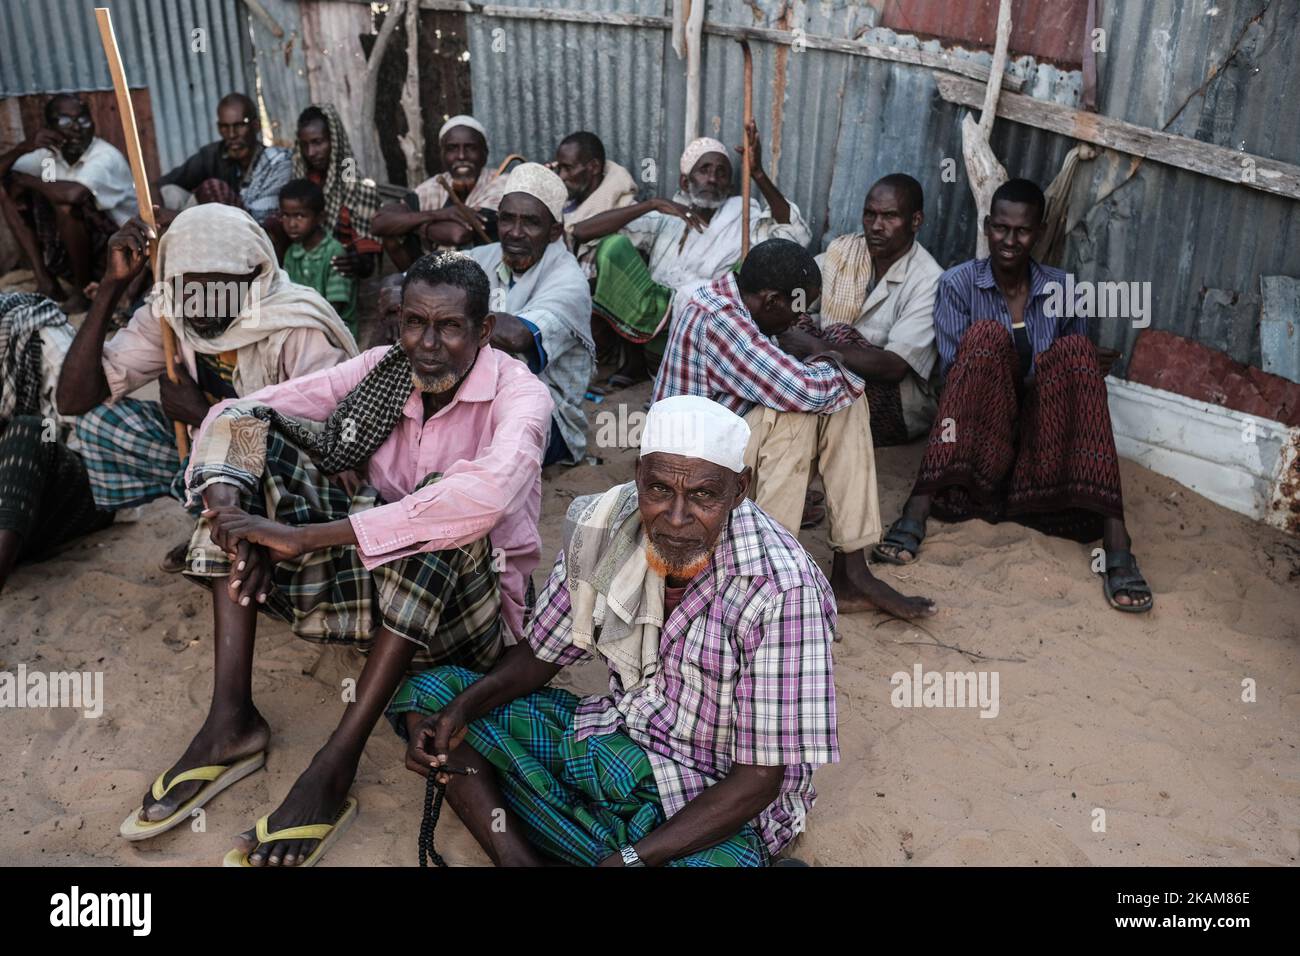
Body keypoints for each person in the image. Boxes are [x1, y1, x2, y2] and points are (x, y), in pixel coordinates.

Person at [119, 252, 554, 868]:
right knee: (254, 449)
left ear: (483, 332)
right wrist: (234, 512)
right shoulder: (384, 369)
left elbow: (479, 502)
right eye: (413, 323)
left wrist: (307, 537)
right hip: (379, 592)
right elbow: (239, 413)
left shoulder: (522, 395)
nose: (427, 345)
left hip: (464, 616)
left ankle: (335, 764)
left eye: (450, 327)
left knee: (440, 508)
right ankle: (231, 718)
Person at [389, 395, 838, 867]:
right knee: (433, 699)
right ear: (639, 476)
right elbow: (541, 655)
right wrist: (461, 711)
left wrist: (630, 860)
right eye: (659, 490)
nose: (677, 517)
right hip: (618, 740)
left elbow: (760, 779)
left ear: (739, 489)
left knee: (718, 860)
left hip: (715, 799)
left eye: (704, 495)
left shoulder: (783, 590)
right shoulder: (607, 525)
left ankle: (590, 841)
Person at [872, 179, 1153, 613]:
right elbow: (954, 377)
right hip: (982, 437)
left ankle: (1118, 541)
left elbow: (1067, 388)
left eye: (1021, 231)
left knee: (1078, 352)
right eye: (1000, 228)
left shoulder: (1063, 287)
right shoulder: (957, 284)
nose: (1009, 240)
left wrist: (1076, 368)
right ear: (987, 226)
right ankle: (917, 506)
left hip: (1042, 444)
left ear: (1038, 232)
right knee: (983, 338)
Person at [653, 237, 935, 620]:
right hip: (690, 476)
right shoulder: (719, 318)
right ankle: (767, 580)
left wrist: (830, 365)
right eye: (796, 307)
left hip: (723, 449)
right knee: (795, 415)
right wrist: (836, 362)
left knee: (841, 402)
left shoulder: (742, 302)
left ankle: (852, 571)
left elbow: (807, 385)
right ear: (770, 301)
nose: (799, 319)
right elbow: (799, 390)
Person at [56, 205, 358, 544]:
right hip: (204, 457)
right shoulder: (172, 312)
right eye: (187, 288)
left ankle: (248, 535)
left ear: (252, 275)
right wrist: (113, 285)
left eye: (215, 290)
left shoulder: (294, 326)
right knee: (100, 422)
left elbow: (333, 450)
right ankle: (209, 521)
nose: (198, 305)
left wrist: (204, 415)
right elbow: (73, 399)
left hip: (286, 475)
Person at [571, 122, 809, 388]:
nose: (712, 178)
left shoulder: (743, 216)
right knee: (613, 247)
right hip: (648, 319)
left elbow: (794, 236)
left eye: (721, 173)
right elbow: (581, 232)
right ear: (685, 181)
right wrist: (652, 204)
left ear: (729, 185)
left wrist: (758, 174)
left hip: (703, 330)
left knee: (751, 267)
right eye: (704, 170)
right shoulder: (670, 213)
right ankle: (637, 358)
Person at [466, 163, 594, 466]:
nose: (515, 232)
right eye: (507, 219)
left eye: (530, 223)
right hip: (484, 392)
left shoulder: (569, 280)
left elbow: (516, 336)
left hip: (550, 415)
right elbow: (419, 277)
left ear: (554, 231)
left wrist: (446, 313)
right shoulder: (484, 256)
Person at [813, 174, 943, 446]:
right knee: (789, 321)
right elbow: (797, 290)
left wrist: (814, 347)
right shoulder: (847, 253)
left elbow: (894, 367)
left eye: (889, 216)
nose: (876, 226)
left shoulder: (928, 279)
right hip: (839, 376)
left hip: (895, 400)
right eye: (869, 214)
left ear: (916, 221)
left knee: (836, 338)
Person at [0, 292, 113, 590]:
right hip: (13, 494)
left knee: (31, 430)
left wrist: (24, 437)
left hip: (82, 479)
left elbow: (87, 432)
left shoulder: (38, 334)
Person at [0, 94, 135, 312]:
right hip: (73, 253)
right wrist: (24, 148)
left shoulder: (104, 156)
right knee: (7, 191)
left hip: (121, 253)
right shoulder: (50, 157)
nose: (76, 128)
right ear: (49, 127)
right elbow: (14, 179)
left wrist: (25, 180)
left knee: (65, 205)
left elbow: (73, 195)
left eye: (82, 120)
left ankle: (81, 293)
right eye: (65, 121)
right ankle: (46, 282)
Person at [373, 115, 506, 269]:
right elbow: (379, 223)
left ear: (485, 153)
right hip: (437, 277)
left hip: (486, 277)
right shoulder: (434, 186)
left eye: (470, 147)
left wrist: (416, 225)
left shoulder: (500, 182)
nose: (461, 156)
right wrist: (438, 214)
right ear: (442, 155)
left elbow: (458, 233)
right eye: (452, 148)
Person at [155, 92, 292, 226]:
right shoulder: (212, 155)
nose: (232, 134)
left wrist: (178, 217)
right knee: (170, 193)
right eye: (225, 127)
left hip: (251, 233)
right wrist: (157, 215)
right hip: (211, 229)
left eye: (239, 125)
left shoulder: (273, 163)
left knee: (214, 189)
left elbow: (261, 221)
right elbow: (157, 186)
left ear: (256, 125)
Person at [282, 104, 380, 280]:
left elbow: (367, 263)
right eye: (304, 145)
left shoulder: (356, 187)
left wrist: (357, 261)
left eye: (318, 142)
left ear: (334, 141)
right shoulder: (301, 181)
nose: (311, 152)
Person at [550, 131, 637, 277]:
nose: (562, 176)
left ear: (594, 167)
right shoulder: (564, 203)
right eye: (560, 168)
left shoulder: (624, 211)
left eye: (568, 168)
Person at [279, 178, 357, 337]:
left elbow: (334, 307)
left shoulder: (334, 252)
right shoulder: (291, 253)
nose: (291, 223)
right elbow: (288, 297)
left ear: (320, 218)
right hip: (302, 323)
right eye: (286, 215)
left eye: (300, 216)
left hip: (335, 328)